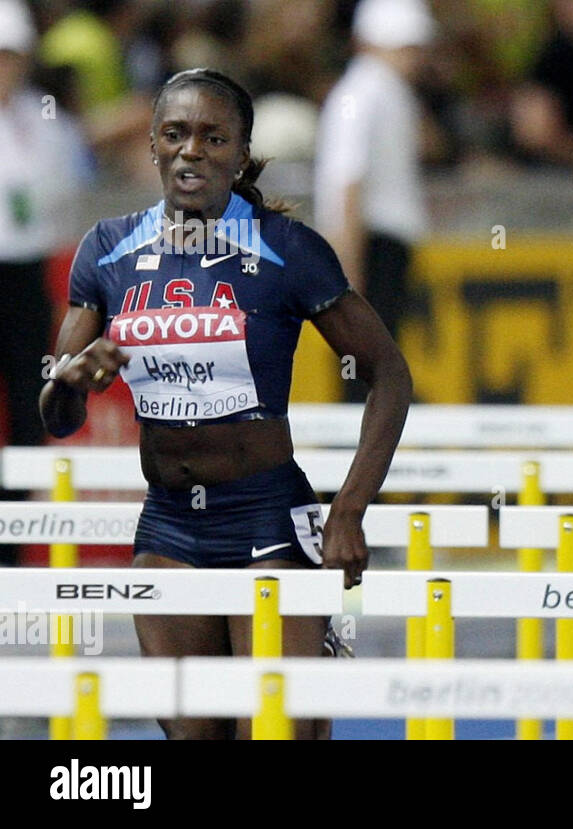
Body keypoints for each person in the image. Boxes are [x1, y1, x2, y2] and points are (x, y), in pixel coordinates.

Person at [39, 68, 413, 739]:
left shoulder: (287, 250)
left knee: (274, 731)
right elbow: (58, 417)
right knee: (193, 735)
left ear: (240, 155)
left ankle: (312, 654)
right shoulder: (107, 251)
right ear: (152, 145)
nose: (191, 152)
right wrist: (69, 383)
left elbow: (389, 372)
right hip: (169, 527)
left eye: (214, 138)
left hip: (267, 519)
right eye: (176, 135)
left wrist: (350, 509)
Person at [0, 0, 91, 566]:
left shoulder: (42, 118)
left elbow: (64, 199)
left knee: (29, 405)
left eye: (12, 56)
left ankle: (10, 542)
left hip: (27, 274)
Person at [315, 0, 433, 382]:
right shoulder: (360, 94)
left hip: (384, 246)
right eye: (404, 47)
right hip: (371, 246)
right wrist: (348, 278)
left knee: (377, 366)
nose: (413, 58)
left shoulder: (386, 92)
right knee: (366, 370)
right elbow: (346, 182)